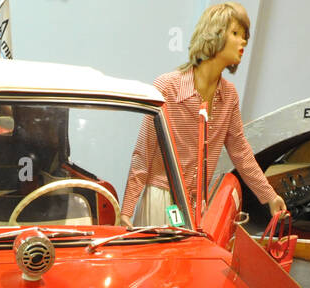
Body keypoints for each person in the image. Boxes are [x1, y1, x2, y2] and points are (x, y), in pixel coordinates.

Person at [121, 3, 286, 228]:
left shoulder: (228, 96)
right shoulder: (167, 87)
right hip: (162, 198)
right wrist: (126, 212)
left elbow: (241, 152)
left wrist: (269, 196)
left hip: (197, 206)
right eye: (236, 33)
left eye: (245, 35)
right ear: (214, 35)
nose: (243, 42)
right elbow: (144, 153)